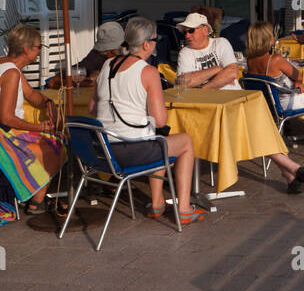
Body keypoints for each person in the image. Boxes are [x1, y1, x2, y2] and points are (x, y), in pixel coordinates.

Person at [90, 17, 208, 223]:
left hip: (103, 150)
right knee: (184, 141)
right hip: (131, 152)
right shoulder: (148, 71)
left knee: (156, 137)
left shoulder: (107, 65)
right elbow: (160, 120)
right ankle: (184, 208)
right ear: (146, 44)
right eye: (155, 40)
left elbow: (93, 108)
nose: (155, 44)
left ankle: (156, 203)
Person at [0, 24, 66, 215]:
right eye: (38, 47)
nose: (40, 51)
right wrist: (39, 127)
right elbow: (7, 118)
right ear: (27, 49)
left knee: (48, 141)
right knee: (55, 145)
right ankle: (36, 202)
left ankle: (31, 194)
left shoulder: (5, 63)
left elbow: (30, 94)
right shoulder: (11, 73)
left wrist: (47, 101)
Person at [243, 21, 304, 153]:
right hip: (283, 103)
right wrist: (298, 81)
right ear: (269, 39)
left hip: (266, 103)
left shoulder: (250, 61)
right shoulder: (276, 59)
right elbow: (298, 75)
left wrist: (298, 82)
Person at [48, 21, 123, 89]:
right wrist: (88, 83)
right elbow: (53, 82)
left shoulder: (124, 57)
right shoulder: (96, 59)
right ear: (111, 51)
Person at [175, 12, 242, 89]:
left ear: (205, 30)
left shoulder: (221, 43)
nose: (187, 35)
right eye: (185, 32)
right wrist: (217, 69)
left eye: (191, 30)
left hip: (232, 97)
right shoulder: (185, 52)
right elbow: (183, 82)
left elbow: (232, 73)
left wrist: (204, 89)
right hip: (205, 100)